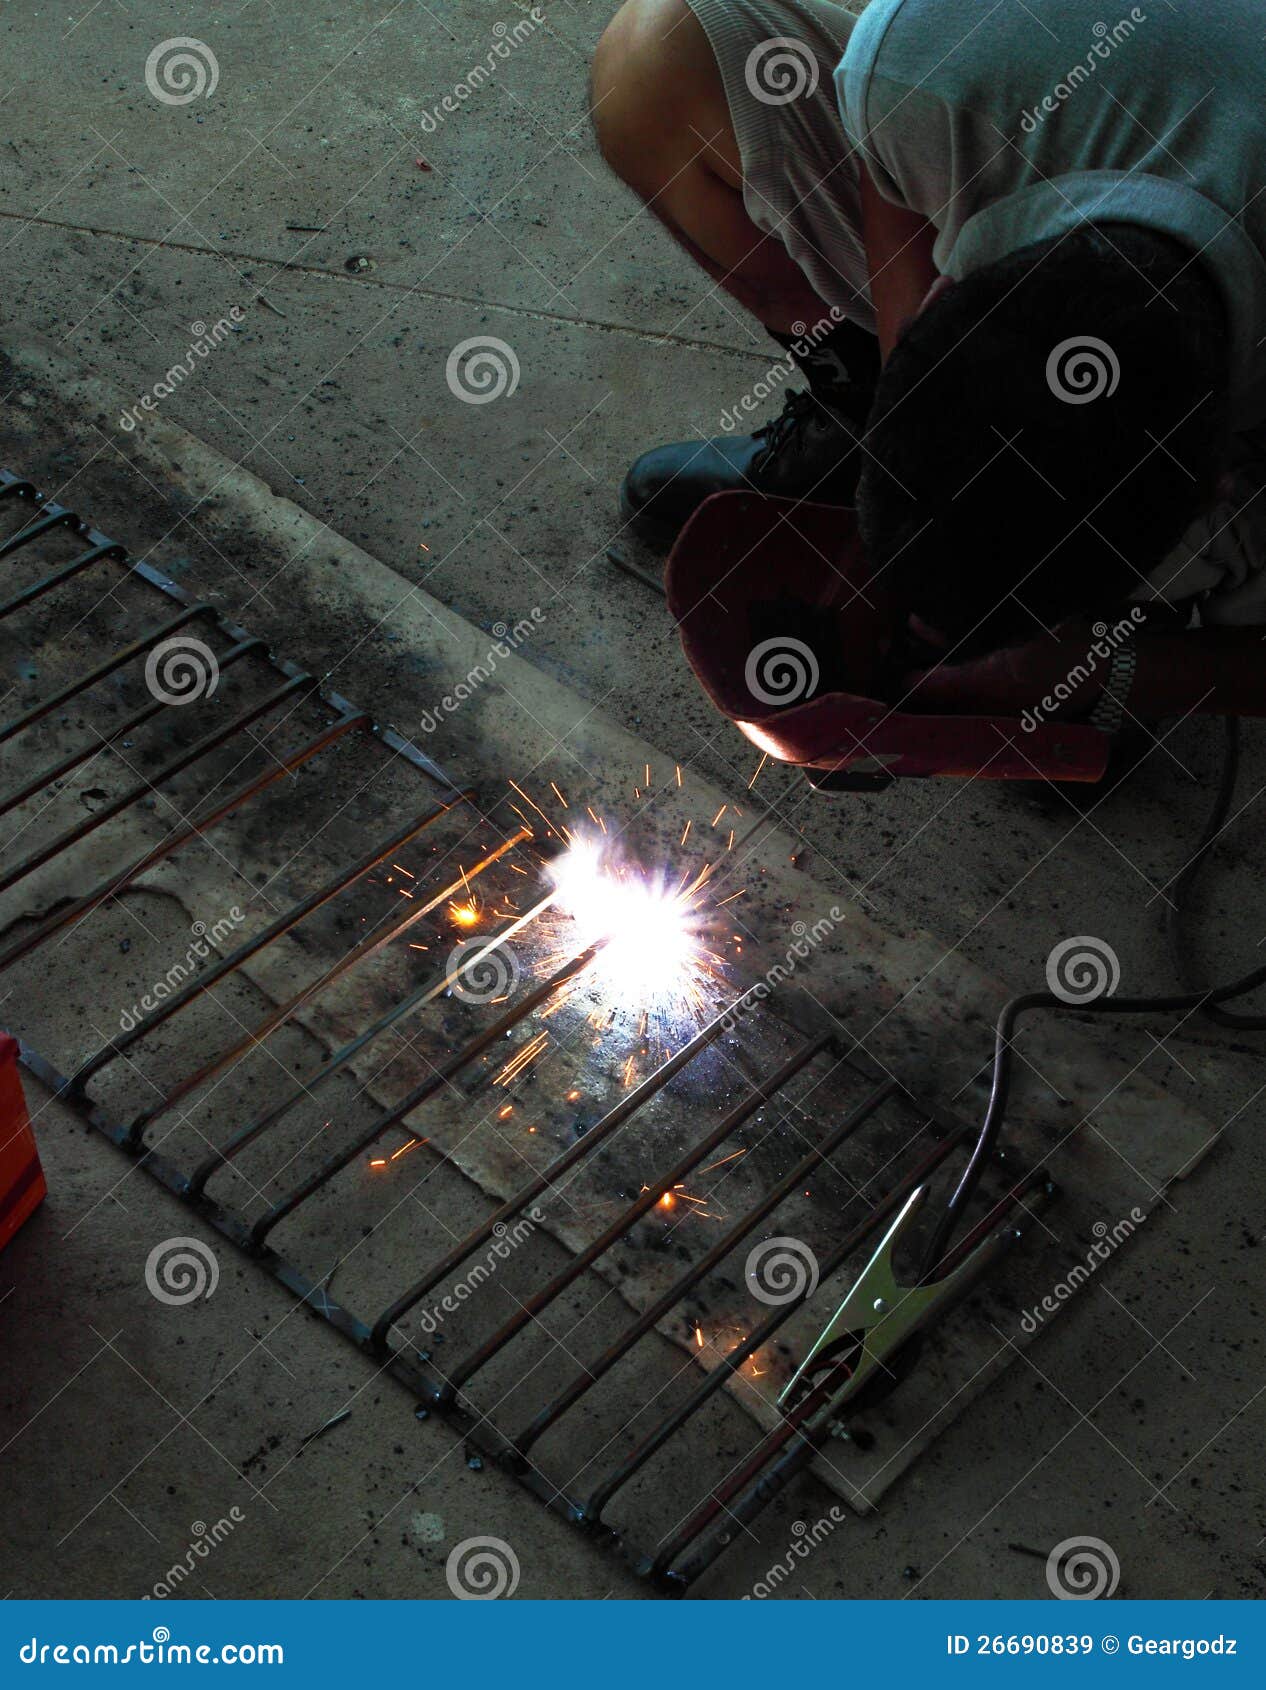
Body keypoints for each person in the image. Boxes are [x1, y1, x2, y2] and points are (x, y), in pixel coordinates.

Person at [591, 0, 1266, 732]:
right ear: (942, 290)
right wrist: (897, 408)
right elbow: (891, 179)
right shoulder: (943, 43)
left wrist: (1099, 670)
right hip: (1062, 115)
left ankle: (1132, 621)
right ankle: (862, 436)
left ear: (1209, 492)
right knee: (659, 60)